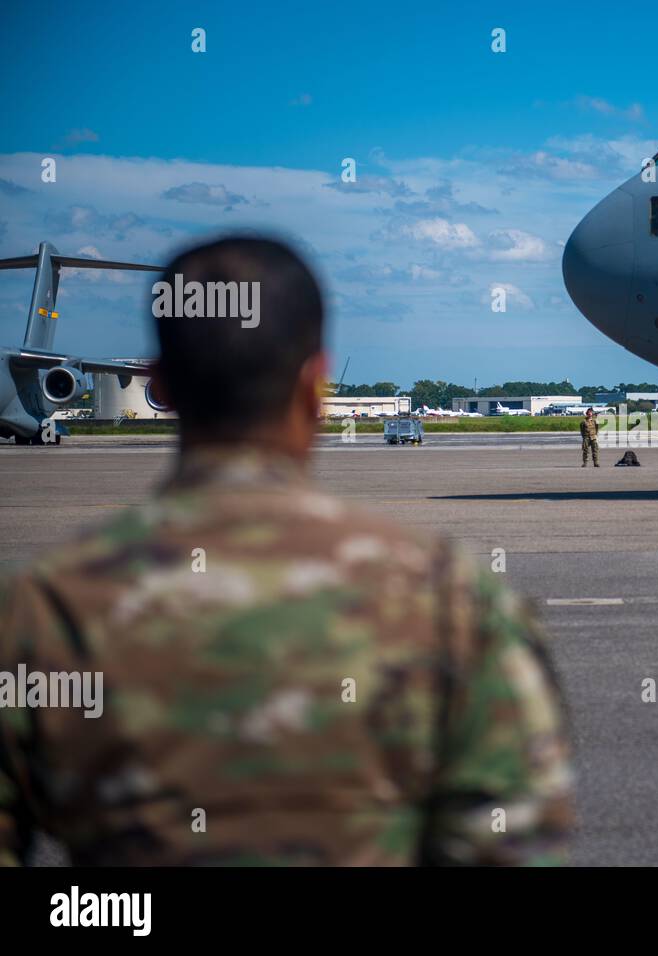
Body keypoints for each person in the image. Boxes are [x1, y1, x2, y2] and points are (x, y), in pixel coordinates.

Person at [0, 236, 574, 866]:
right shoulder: (445, 601)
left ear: (162, 384)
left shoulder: (47, 610)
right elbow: (513, 847)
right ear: (316, 386)